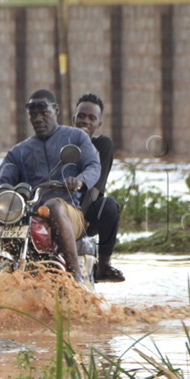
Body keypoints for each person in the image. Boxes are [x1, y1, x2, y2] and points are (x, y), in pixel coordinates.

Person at [0, 89, 101, 284]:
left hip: (69, 212)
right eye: (33, 114)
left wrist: (79, 180)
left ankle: (75, 278)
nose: (38, 118)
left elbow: (93, 166)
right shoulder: (20, 151)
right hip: (30, 211)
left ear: (56, 110)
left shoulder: (76, 137)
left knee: (54, 205)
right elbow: (2, 176)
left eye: (44, 113)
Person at [73, 93, 125, 282]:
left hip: (85, 212)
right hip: (53, 206)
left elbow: (95, 186)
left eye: (91, 118)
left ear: (98, 124)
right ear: (73, 118)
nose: (85, 121)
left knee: (110, 206)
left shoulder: (102, 145)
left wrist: (79, 215)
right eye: (81, 116)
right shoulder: (59, 142)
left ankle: (103, 267)